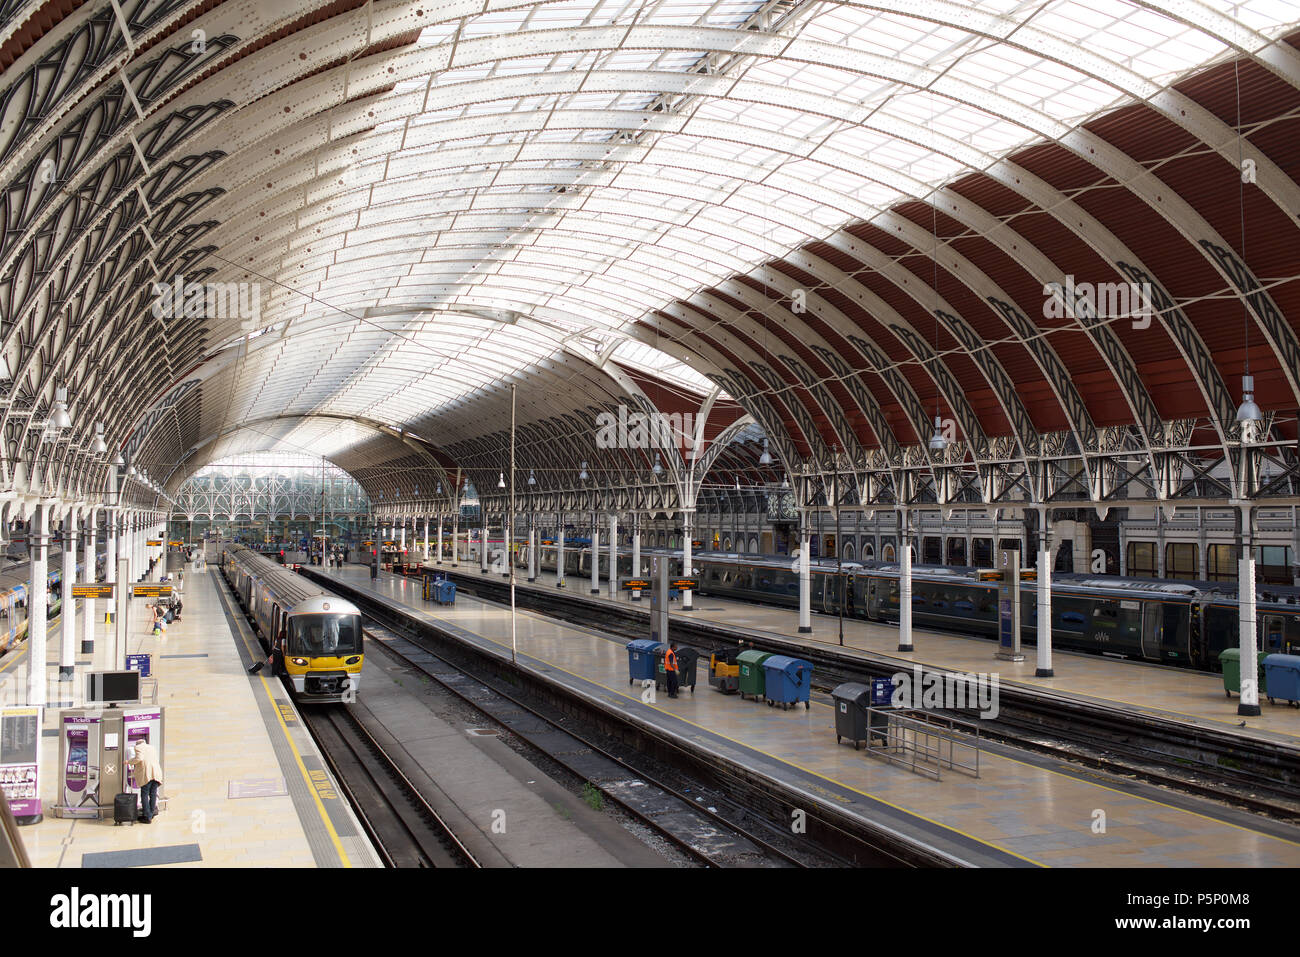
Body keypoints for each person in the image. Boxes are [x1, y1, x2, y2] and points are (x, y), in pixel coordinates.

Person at [129, 741, 163, 824]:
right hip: (156, 772)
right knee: (153, 794)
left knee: (144, 794)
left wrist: (129, 762)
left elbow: (139, 758)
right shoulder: (152, 747)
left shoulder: (138, 747)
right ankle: (151, 814)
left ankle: (147, 816)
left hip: (147, 774)